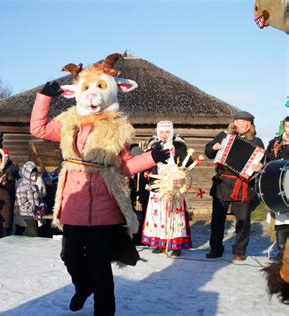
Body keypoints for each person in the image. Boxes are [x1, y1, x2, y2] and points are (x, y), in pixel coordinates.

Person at [30, 53, 169, 315]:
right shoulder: (68, 124)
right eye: (87, 88)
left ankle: (103, 312)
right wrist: (44, 97)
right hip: (73, 202)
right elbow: (38, 129)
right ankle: (82, 287)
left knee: (99, 264)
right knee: (69, 256)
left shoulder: (118, 130)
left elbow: (125, 167)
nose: (93, 95)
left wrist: (152, 157)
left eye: (100, 87)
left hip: (105, 206)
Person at [204, 111, 264, 261]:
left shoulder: (256, 142)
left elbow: (264, 163)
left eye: (248, 122)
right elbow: (208, 152)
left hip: (242, 184)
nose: (244, 124)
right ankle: (216, 249)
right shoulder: (223, 136)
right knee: (217, 219)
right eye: (242, 121)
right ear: (235, 122)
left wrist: (260, 166)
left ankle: (239, 250)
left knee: (243, 220)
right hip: (222, 183)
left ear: (251, 125)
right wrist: (214, 147)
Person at [141, 121, 192, 257]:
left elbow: (188, 161)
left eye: (167, 132)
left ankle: (176, 245)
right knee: (157, 214)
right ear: (158, 133)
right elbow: (146, 162)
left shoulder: (179, 145)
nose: (164, 135)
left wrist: (181, 166)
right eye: (162, 132)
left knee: (174, 214)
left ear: (172, 132)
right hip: (157, 185)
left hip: (174, 186)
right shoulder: (154, 146)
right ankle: (159, 243)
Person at [265, 116, 289, 259]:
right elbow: (269, 162)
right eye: (287, 127)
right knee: (281, 216)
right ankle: (282, 252)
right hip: (278, 185)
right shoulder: (275, 142)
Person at [15, 161, 46, 236]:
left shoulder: (35, 186)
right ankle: (33, 246)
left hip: (35, 214)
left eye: (35, 176)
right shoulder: (22, 186)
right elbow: (22, 202)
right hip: (27, 214)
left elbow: (39, 198)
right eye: (32, 176)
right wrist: (34, 208)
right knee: (33, 233)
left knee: (36, 232)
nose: (34, 178)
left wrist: (41, 206)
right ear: (27, 175)